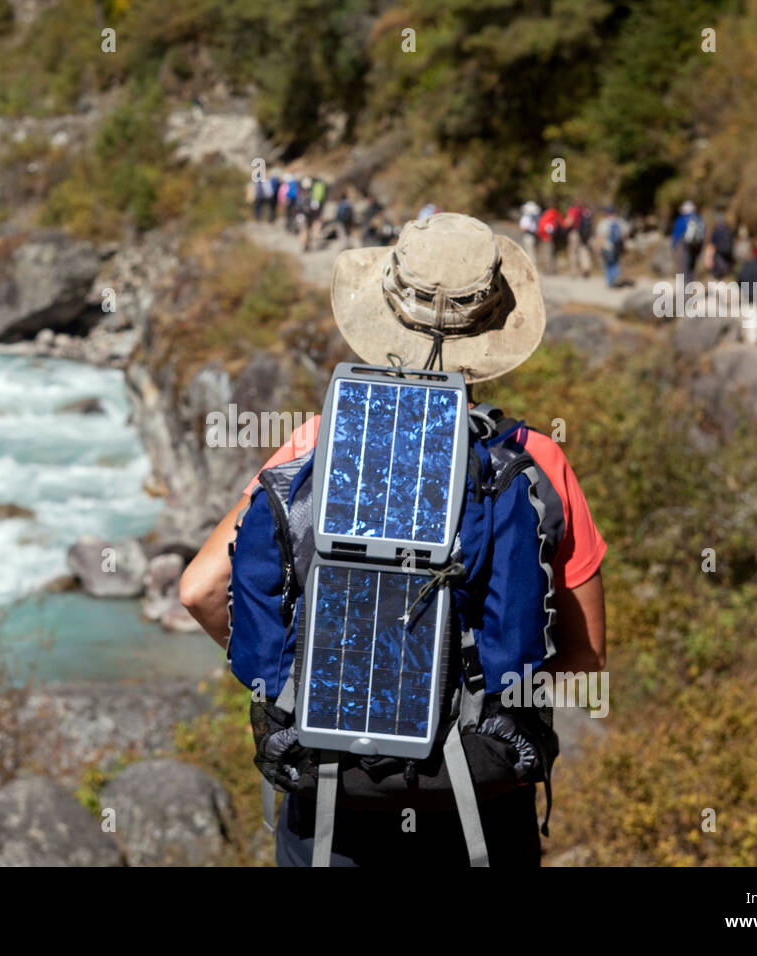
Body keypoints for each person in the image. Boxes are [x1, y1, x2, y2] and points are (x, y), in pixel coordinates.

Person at [179, 214, 608, 868]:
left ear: (384, 318)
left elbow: (199, 590)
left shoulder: (317, 444)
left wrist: (303, 682)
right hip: (480, 803)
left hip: (330, 804)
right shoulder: (535, 461)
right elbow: (583, 661)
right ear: (493, 332)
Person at [671, 200, 704, 279]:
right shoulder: (698, 218)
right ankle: (691, 286)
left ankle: (684, 288)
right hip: (696, 245)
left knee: (683, 267)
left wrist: (673, 246)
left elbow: (676, 234)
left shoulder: (682, 219)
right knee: (692, 266)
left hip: (684, 245)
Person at [595, 205, 625, 287]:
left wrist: (597, 247)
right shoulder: (619, 221)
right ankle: (617, 278)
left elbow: (600, 236)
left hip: (607, 247)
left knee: (608, 264)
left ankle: (611, 282)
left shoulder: (604, 222)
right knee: (615, 263)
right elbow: (623, 235)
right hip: (617, 247)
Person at [564, 202, 593, 278]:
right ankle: (586, 267)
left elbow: (569, 222)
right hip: (584, 234)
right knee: (583, 251)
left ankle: (574, 271)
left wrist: (563, 226)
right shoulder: (585, 211)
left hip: (574, 233)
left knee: (573, 252)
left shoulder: (573, 210)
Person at [537, 205, 565, 274]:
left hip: (547, 238)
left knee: (547, 254)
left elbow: (547, 228)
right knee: (552, 254)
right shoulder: (555, 216)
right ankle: (553, 269)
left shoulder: (547, 216)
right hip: (553, 238)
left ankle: (548, 270)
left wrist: (545, 235)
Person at [709, 214, 734, 279]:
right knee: (725, 266)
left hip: (719, 252)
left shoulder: (716, 231)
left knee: (718, 264)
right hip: (728, 252)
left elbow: (712, 243)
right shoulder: (728, 230)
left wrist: (709, 257)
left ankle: (718, 278)